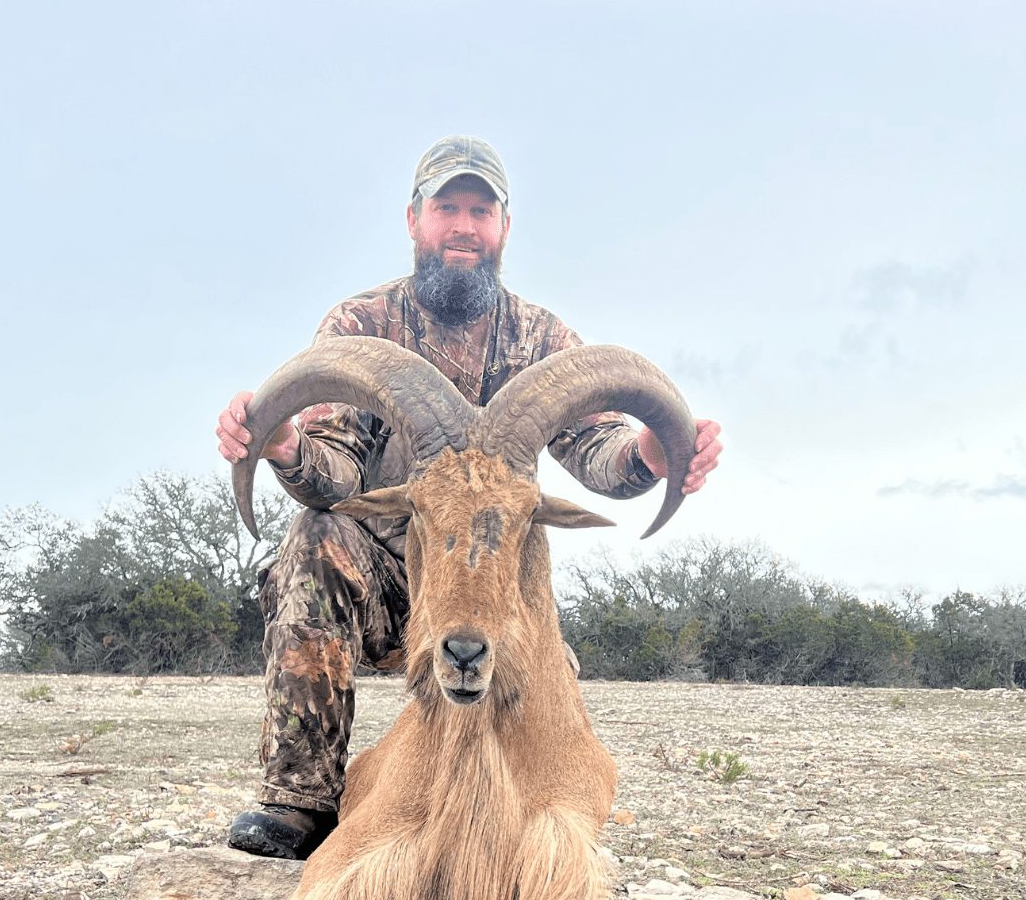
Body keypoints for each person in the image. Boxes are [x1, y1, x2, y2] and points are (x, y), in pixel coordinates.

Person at [215, 135, 723, 858]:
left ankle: (531, 806)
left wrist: (648, 453)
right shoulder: (362, 328)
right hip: (390, 583)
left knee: (541, 697)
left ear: (504, 229)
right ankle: (301, 800)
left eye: (480, 211)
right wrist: (288, 448)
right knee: (313, 537)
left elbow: (600, 457)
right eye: (446, 207)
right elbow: (336, 479)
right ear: (414, 219)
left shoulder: (543, 341)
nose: (463, 226)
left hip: (493, 591)